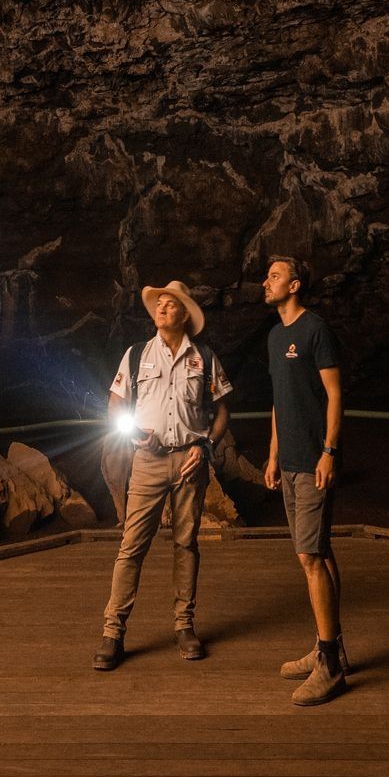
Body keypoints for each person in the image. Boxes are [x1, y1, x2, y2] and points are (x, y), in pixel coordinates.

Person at [95, 279, 232, 670]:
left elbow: (222, 409)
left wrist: (204, 446)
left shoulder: (203, 357)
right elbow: (116, 402)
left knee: (186, 543)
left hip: (189, 463)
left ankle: (184, 626)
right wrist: (132, 432)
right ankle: (113, 633)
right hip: (148, 463)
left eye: (171, 304)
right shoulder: (137, 355)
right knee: (132, 545)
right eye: (159, 303)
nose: (162, 308)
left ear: (184, 314)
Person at [262, 254, 346, 705]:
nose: (265, 282)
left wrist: (329, 453)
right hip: (290, 462)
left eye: (274, 276)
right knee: (319, 553)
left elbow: (334, 394)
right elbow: (279, 401)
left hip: (314, 462)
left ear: (294, 285)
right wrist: (273, 455)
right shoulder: (276, 337)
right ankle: (326, 647)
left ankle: (330, 665)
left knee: (310, 558)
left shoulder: (315, 330)